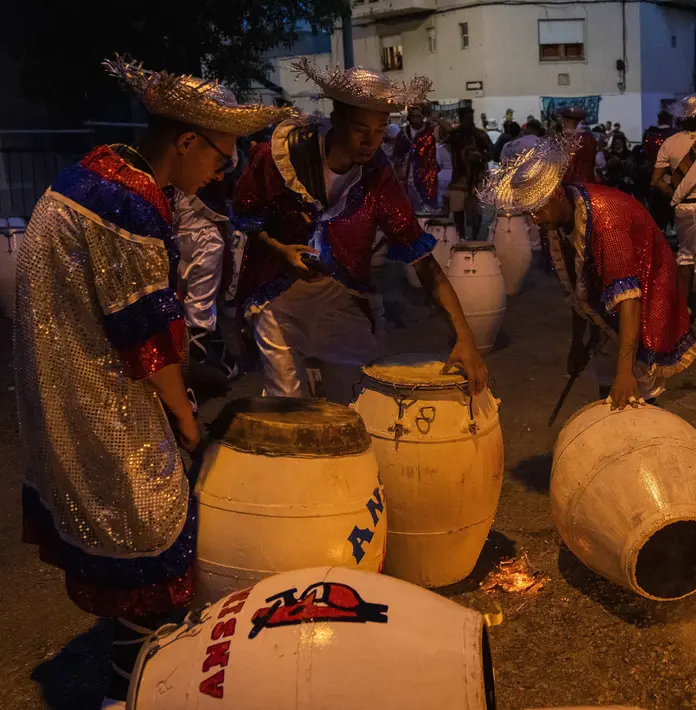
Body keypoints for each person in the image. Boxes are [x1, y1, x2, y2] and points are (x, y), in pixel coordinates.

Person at [16, 56, 293, 710]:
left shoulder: (104, 168)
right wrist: (187, 420)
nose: (220, 171)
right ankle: (126, 692)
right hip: (95, 387)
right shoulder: (131, 202)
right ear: (187, 141)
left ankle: (132, 671)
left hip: (66, 370)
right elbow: (145, 332)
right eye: (221, 157)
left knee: (136, 531)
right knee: (155, 522)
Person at [231, 60, 488, 403]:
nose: (372, 142)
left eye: (380, 129)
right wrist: (281, 250)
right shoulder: (279, 156)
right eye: (360, 129)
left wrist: (464, 336)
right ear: (336, 118)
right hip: (278, 301)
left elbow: (422, 260)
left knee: (358, 402)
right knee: (288, 408)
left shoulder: (378, 176)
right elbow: (246, 216)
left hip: (340, 297)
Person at [480, 137, 696, 406]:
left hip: (649, 283)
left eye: (537, 210)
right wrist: (578, 344)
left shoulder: (607, 223)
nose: (534, 219)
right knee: (606, 373)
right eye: (529, 213)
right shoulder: (559, 217)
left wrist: (625, 373)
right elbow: (578, 288)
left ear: (557, 194)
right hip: (616, 292)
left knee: (636, 383)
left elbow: (630, 300)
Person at [652, 92, 696, 329]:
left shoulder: (670, 143)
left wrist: (676, 195)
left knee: (686, 254)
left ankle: (684, 308)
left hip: (682, 207)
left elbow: (656, 180)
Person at [176, 171, 243, 381]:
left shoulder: (211, 156)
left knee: (199, 307)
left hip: (204, 235)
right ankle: (224, 364)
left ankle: (192, 381)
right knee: (185, 304)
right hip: (177, 234)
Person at [443, 105, 494, 239]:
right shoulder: (454, 135)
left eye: (470, 118)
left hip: (476, 179)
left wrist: (480, 158)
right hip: (459, 179)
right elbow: (442, 138)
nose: (468, 120)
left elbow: (492, 152)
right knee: (458, 212)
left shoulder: (480, 135)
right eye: (465, 118)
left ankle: (475, 238)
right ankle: (461, 237)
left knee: (476, 212)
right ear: (460, 118)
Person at [391, 102, 439, 214]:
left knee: (427, 210)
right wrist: (398, 173)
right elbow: (397, 155)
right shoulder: (403, 133)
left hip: (427, 174)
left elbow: (448, 130)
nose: (416, 119)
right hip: (408, 175)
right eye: (413, 116)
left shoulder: (430, 130)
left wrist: (434, 118)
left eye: (418, 116)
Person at [642, 109, 679, 232]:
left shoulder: (649, 134)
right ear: (670, 120)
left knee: (657, 211)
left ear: (659, 119)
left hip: (654, 175)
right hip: (673, 177)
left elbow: (646, 154)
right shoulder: (676, 134)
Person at [558, 105, 599, 183]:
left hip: (572, 182)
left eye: (564, 120)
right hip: (587, 180)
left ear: (567, 121)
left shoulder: (570, 138)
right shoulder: (589, 137)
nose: (562, 123)